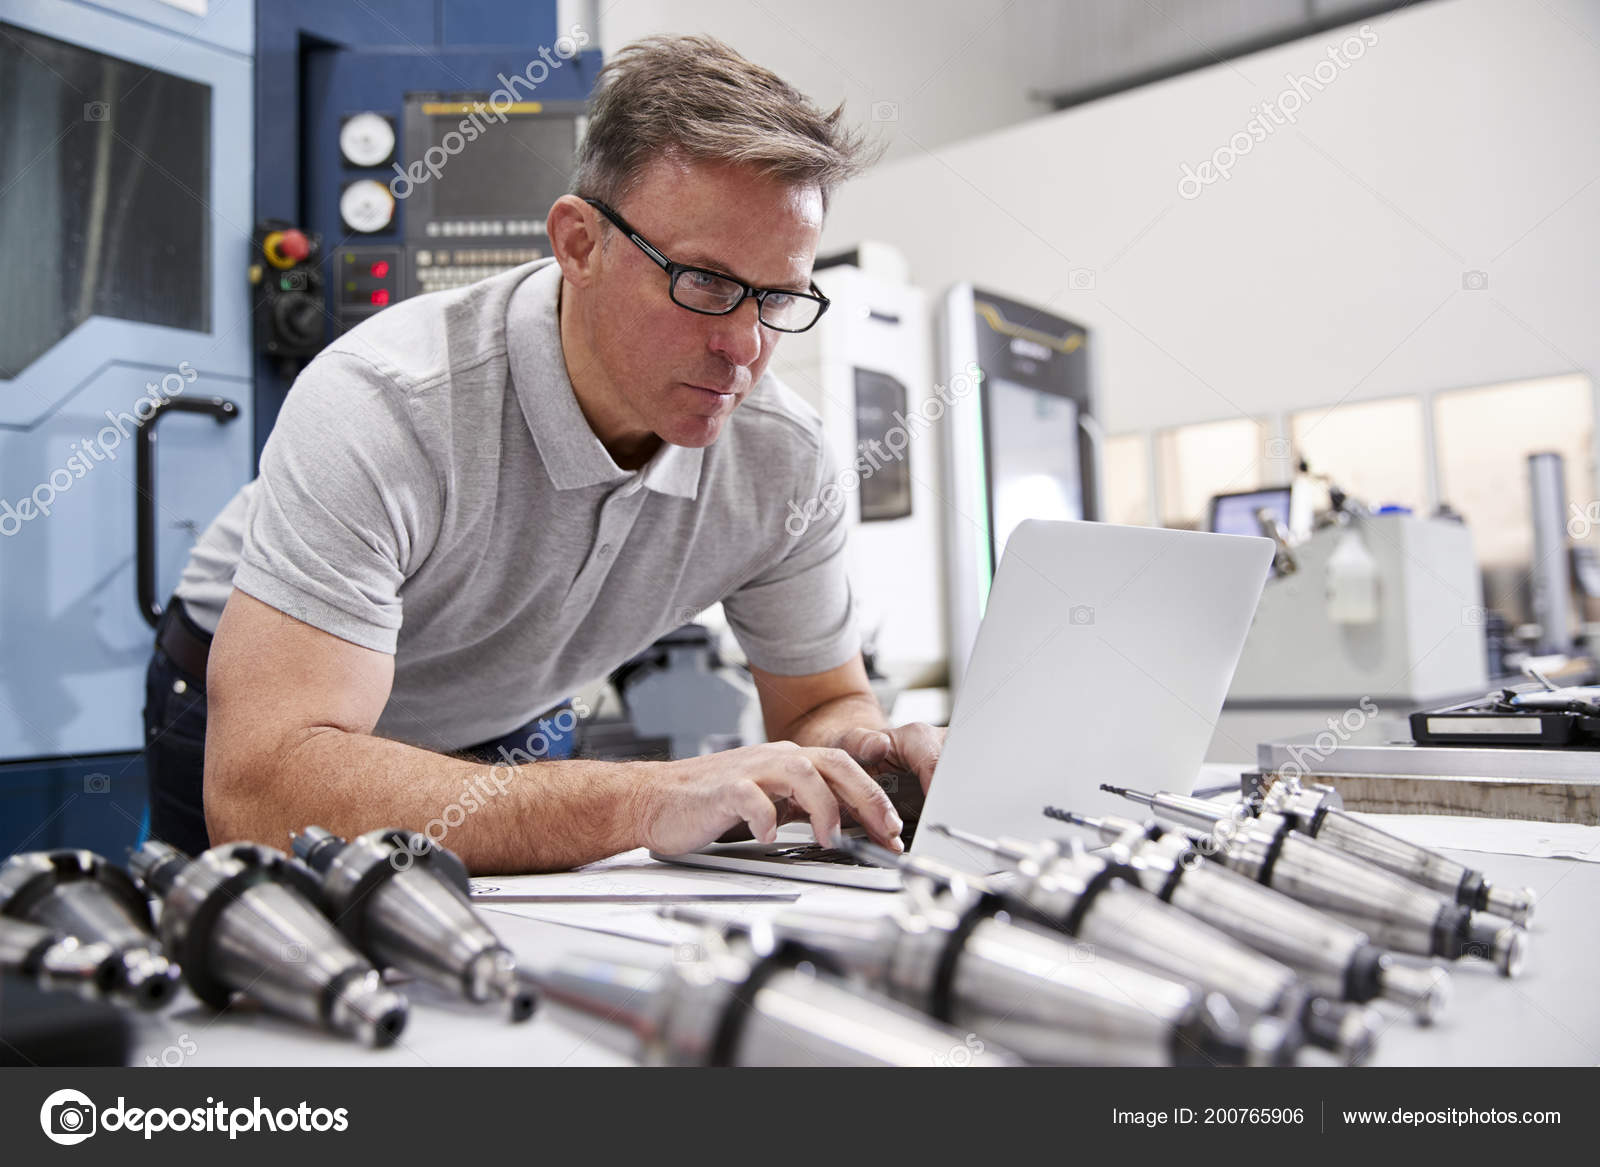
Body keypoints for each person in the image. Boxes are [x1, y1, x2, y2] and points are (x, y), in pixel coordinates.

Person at [143, 35, 944, 873]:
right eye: (705, 282)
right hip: (269, 727)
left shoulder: (786, 461)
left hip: (504, 724)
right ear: (580, 244)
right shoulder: (388, 403)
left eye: (777, 296)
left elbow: (818, 703)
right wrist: (645, 796)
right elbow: (266, 792)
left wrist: (869, 754)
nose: (744, 348)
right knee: (262, 942)